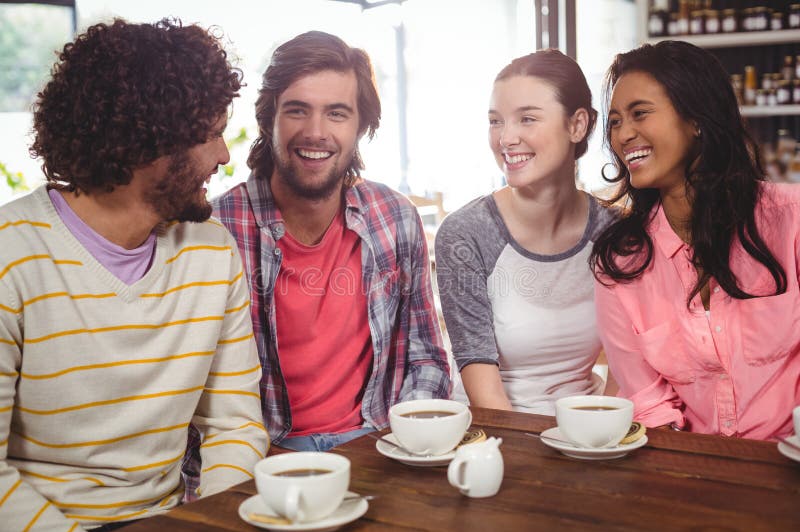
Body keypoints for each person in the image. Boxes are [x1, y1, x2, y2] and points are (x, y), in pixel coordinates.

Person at [0, 19, 268, 532]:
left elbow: (234, 425)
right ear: (151, 145)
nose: (224, 155)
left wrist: (208, 525)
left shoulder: (212, 253)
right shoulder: (12, 257)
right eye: (212, 135)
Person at [212, 31, 451, 451]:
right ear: (269, 118)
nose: (315, 131)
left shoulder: (394, 218)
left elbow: (427, 359)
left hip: (378, 441)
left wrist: (409, 440)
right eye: (297, 110)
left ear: (363, 126)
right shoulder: (219, 229)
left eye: (337, 113)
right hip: (262, 454)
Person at [591, 40, 800, 440]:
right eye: (615, 121)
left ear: (696, 120)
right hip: (688, 471)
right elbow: (647, 401)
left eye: (640, 114)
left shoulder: (790, 221)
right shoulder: (619, 264)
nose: (623, 134)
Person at [434, 49, 616, 415]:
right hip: (493, 434)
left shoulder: (615, 231)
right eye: (496, 121)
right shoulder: (467, 233)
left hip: (585, 427)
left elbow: (628, 367)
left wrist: (599, 433)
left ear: (577, 125)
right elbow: (483, 386)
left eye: (527, 119)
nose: (506, 138)